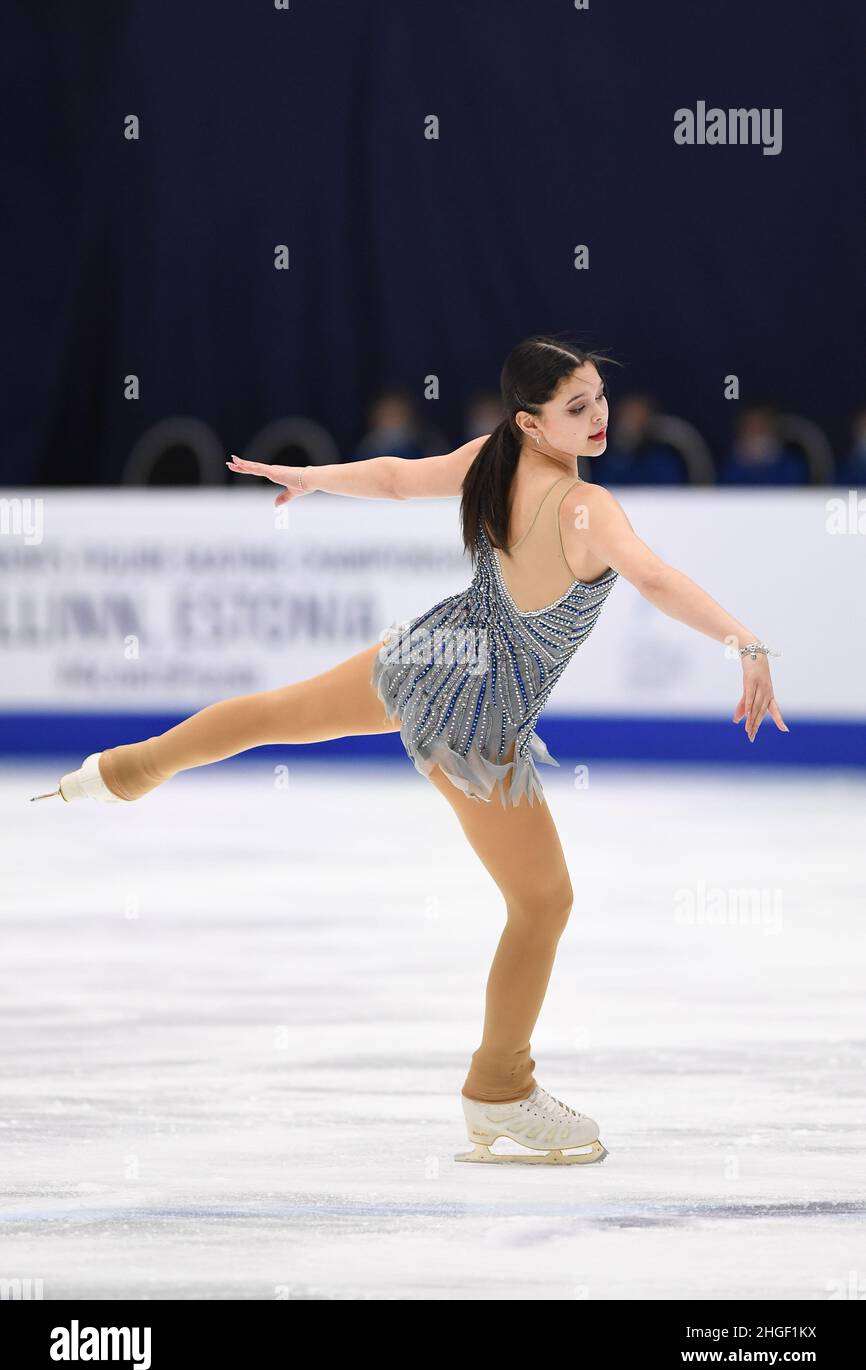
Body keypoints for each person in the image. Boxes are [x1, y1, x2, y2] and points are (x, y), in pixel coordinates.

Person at [33, 333, 788, 1166]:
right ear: (532, 422)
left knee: (275, 716)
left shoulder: (492, 460)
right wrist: (742, 640)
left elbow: (394, 479)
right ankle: (499, 1087)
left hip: (434, 652)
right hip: (478, 718)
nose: (599, 416)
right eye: (577, 407)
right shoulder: (586, 508)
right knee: (543, 904)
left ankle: (126, 769)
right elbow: (652, 577)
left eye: (599, 397)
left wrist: (312, 478)